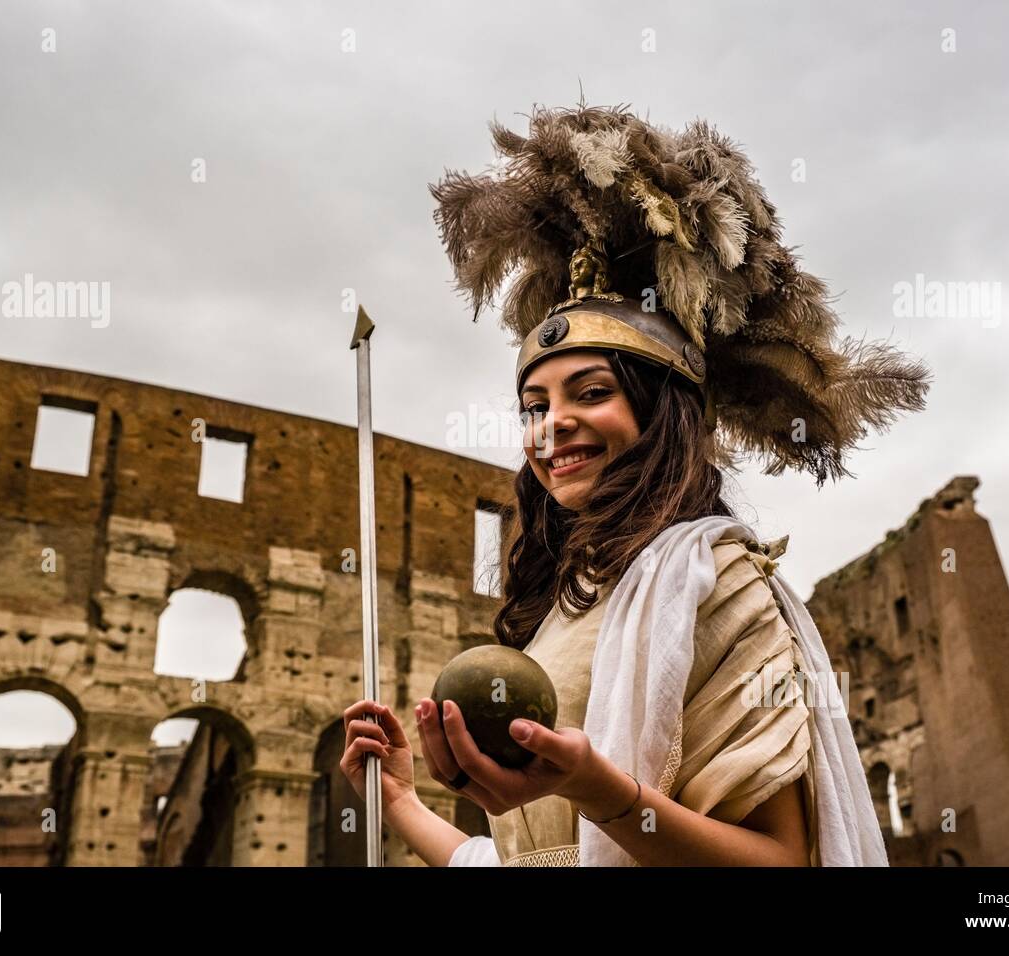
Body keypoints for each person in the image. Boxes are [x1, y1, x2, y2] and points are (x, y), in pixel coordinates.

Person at [340, 102, 930, 866]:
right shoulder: (559, 607)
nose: (552, 426)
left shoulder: (718, 583)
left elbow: (782, 859)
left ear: (659, 413)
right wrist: (400, 803)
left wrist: (604, 794)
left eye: (590, 393)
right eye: (534, 406)